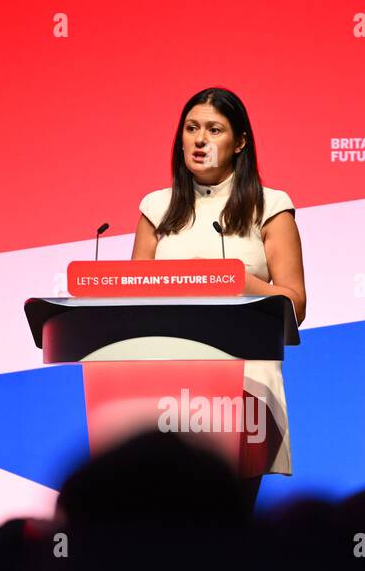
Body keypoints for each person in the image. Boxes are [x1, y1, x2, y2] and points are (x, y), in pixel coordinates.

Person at [130, 87, 306, 512]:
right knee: (164, 529)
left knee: (228, 531)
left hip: (242, 386)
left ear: (240, 142)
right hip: (165, 386)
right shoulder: (157, 207)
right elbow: (129, 294)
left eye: (213, 129)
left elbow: (295, 303)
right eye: (191, 129)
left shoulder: (271, 205)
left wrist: (240, 282)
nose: (199, 139)